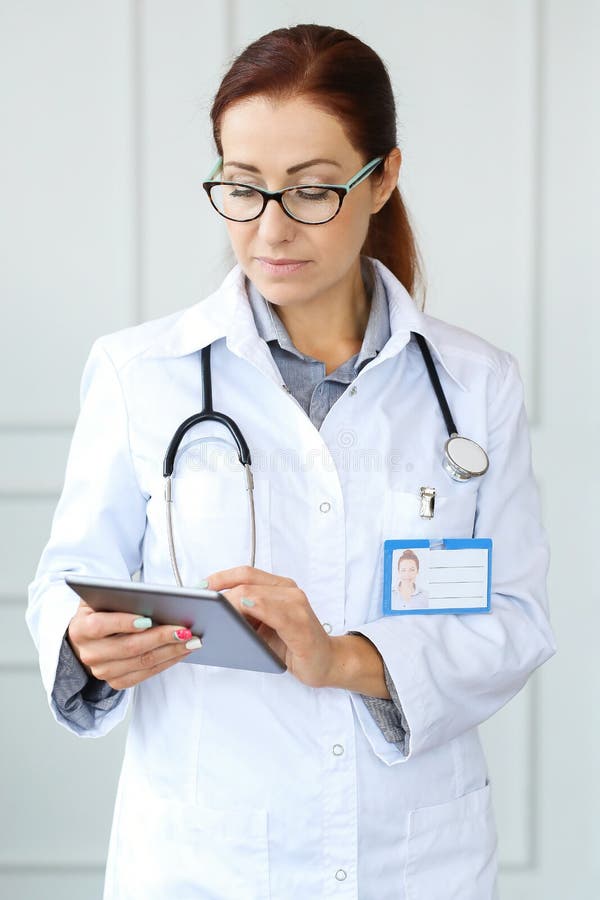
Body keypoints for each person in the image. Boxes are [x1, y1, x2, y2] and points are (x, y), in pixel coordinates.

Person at [25, 23, 556, 900]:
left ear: (382, 177)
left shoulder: (475, 384)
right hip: (205, 858)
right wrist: (82, 645)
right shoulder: (139, 373)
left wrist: (343, 658)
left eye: (312, 192)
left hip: (414, 858)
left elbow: (515, 618)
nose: (270, 229)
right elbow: (66, 580)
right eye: (242, 189)